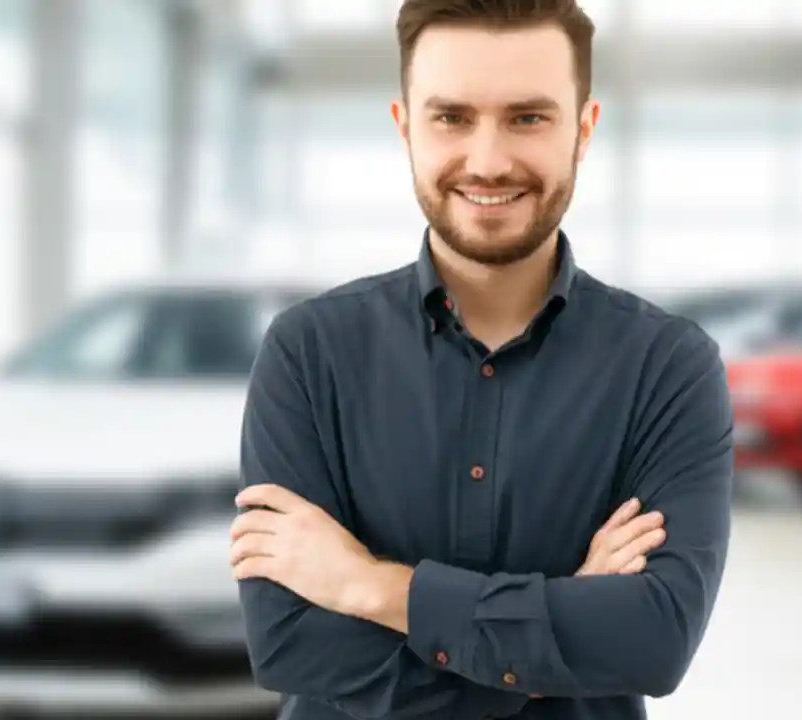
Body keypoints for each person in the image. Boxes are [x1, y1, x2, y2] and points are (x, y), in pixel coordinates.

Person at [228, 1, 733, 717]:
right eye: (452, 117)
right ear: (406, 127)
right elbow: (292, 646)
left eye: (527, 117)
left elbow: (651, 640)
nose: (489, 161)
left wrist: (371, 587)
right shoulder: (308, 353)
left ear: (583, 129)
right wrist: (548, 651)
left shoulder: (668, 368)